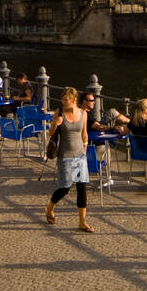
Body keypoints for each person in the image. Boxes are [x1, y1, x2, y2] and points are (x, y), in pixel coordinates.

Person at [44, 87, 94, 232]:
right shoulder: (60, 112)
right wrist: (55, 123)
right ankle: (49, 207)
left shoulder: (83, 113)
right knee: (65, 188)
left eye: (66, 100)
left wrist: (85, 149)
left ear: (74, 100)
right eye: (63, 100)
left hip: (80, 155)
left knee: (82, 187)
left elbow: (84, 134)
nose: (63, 102)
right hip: (65, 156)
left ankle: (82, 222)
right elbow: (51, 133)